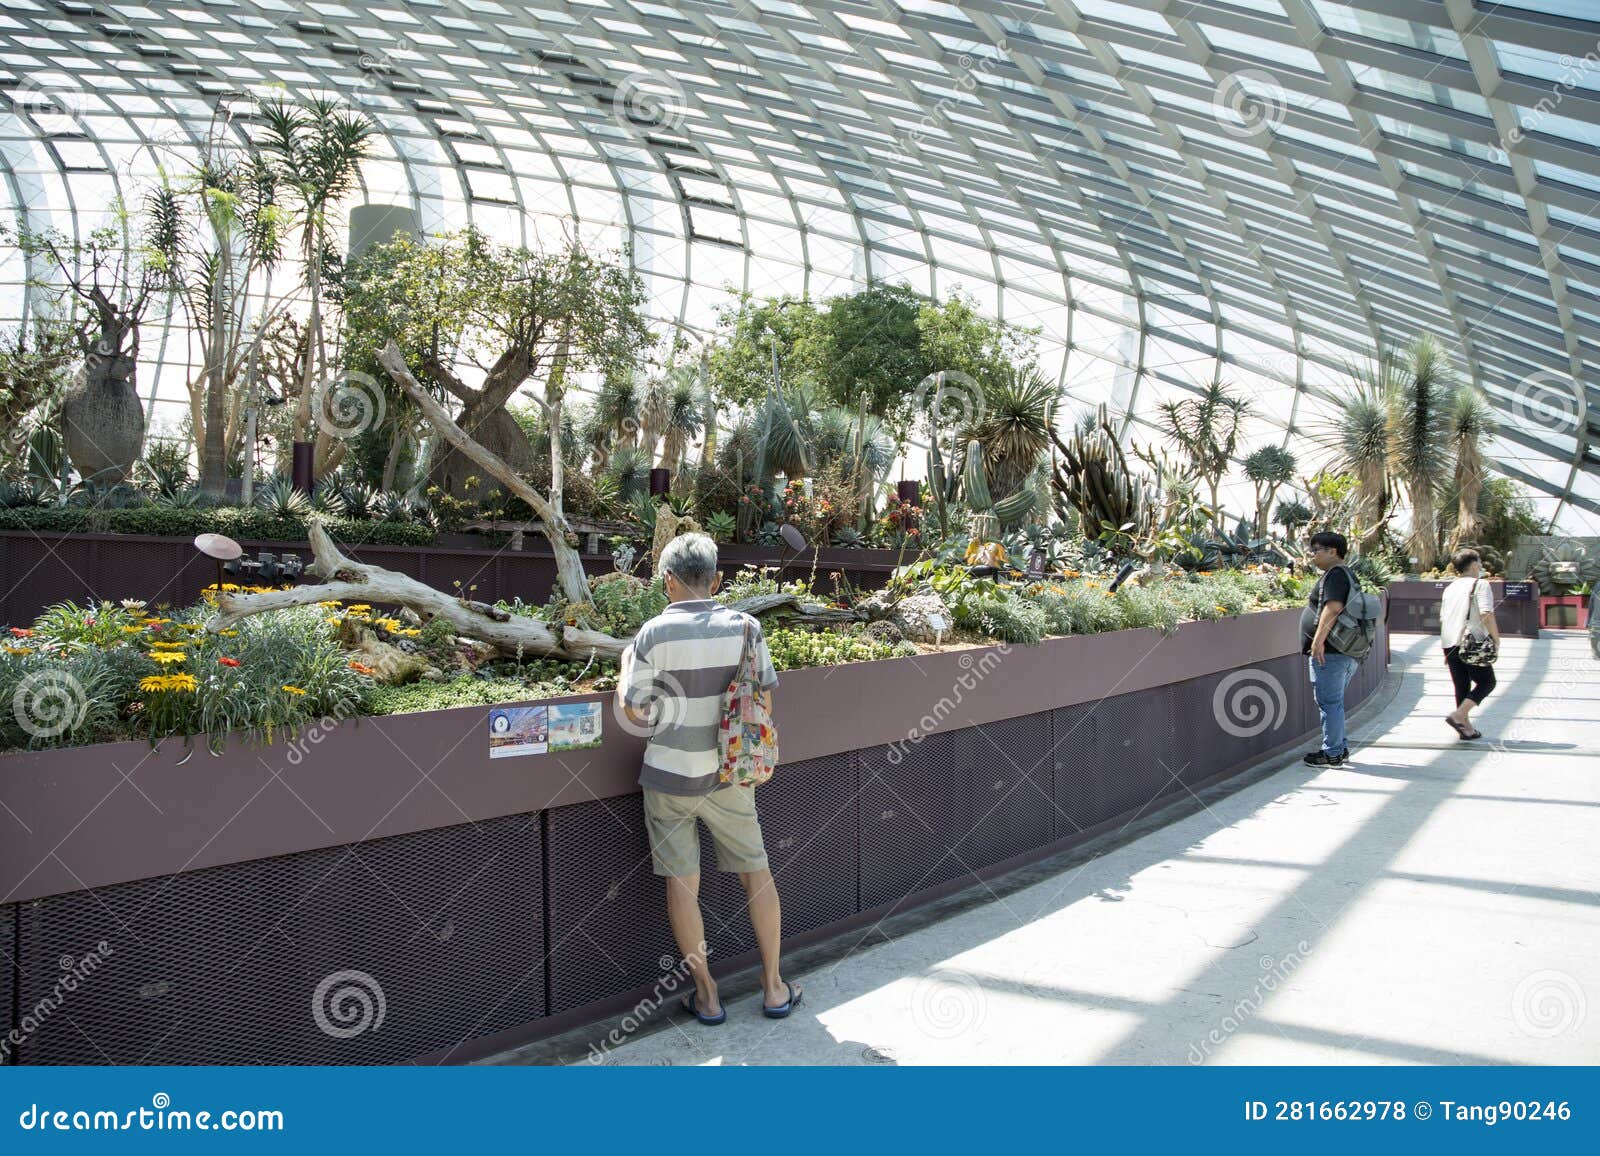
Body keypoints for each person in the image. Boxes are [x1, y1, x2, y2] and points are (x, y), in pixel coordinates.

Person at [617, 532, 801, 1024]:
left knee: (683, 886)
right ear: (716, 580)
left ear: (668, 581)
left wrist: (625, 666)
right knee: (756, 874)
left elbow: (633, 711)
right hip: (730, 775)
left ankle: (708, 995)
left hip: (669, 779)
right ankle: (774, 987)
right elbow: (763, 702)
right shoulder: (746, 627)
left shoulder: (653, 633)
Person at [1301, 531, 1359, 767]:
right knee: (1334, 703)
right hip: (1342, 652)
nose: (1312, 555)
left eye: (1316, 550)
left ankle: (1332, 753)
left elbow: (1333, 607)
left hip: (1331, 652)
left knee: (1329, 703)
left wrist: (1318, 641)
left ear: (1332, 551)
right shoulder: (1346, 574)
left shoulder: (1336, 574)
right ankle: (1339, 748)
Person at [1440, 548, 1499, 740]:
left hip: (1449, 642)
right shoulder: (1480, 584)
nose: (1481, 566)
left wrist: (1447, 651)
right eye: (1479, 562)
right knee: (1487, 682)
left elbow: (1443, 618)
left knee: (1461, 686)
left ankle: (1466, 729)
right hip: (1471, 642)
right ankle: (1458, 716)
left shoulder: (1450, 588)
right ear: (1474, 565)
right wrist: (1496, 639)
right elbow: (1486, 613)